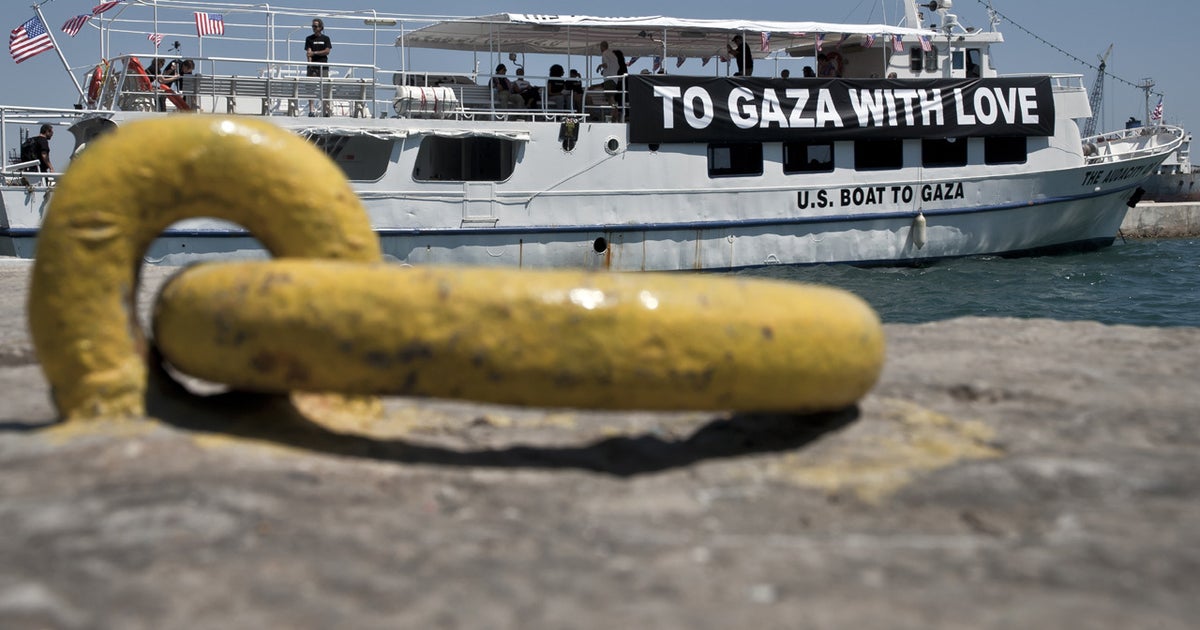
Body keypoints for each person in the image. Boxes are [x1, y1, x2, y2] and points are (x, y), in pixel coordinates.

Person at [304, 18, 332, 116]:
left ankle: (326, 110)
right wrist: (310, 65)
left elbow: (327, 51)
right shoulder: (309, 39)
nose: (313, 28)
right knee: (310, 88)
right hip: (313, 66)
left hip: (323, 66)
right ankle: (311, 110)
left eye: (315, 26)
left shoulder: (326, 39)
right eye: (312, 26)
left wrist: (314, 53)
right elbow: (308, 53)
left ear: (320, 27)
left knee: (324, 88)